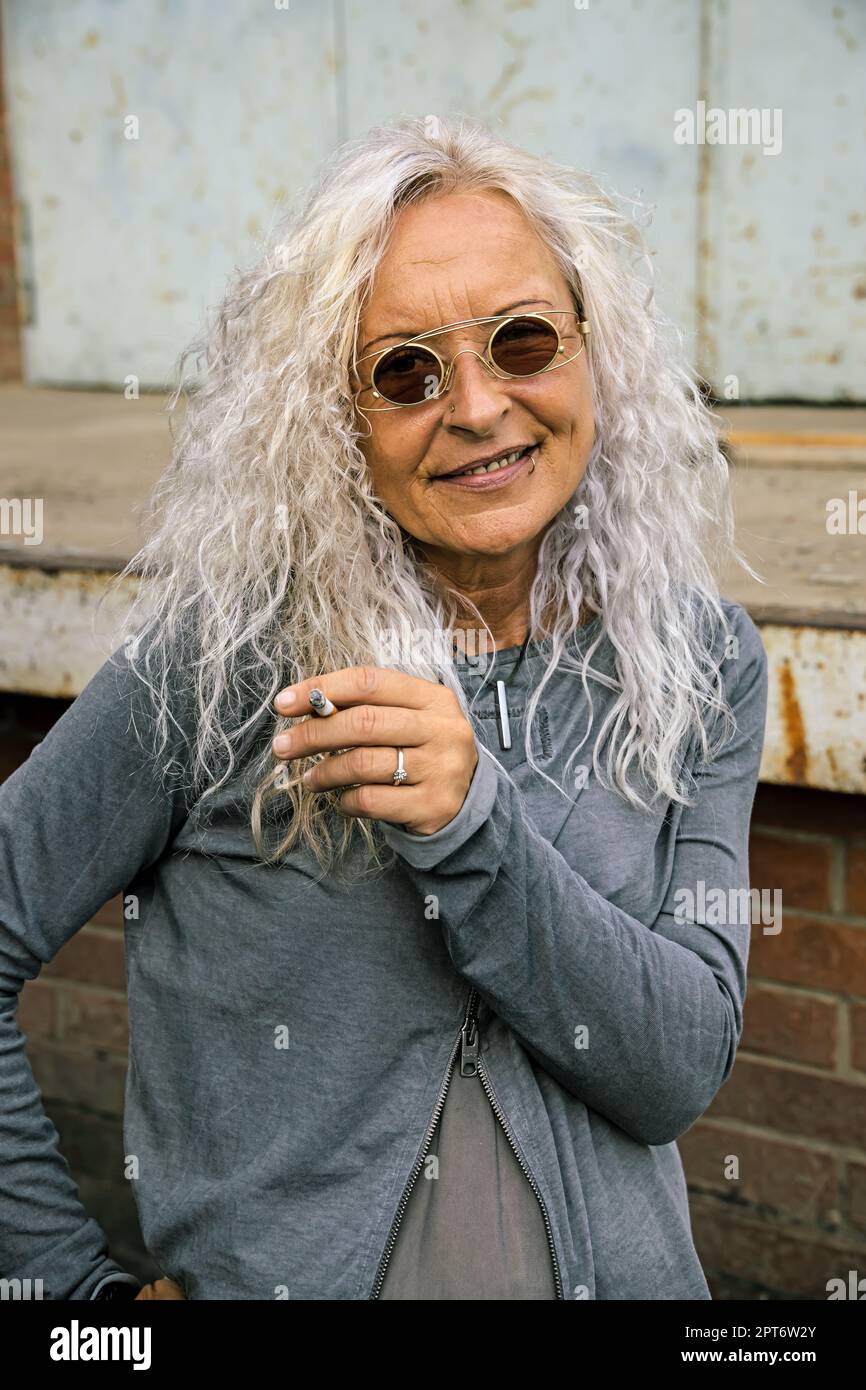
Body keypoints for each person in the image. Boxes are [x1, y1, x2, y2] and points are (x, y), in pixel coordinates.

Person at [0, 114, 768, 1301]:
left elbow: (674, 1075)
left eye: (522, 342)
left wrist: (476, 832)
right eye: (405, 369)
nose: (475, 406)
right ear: (332, 418)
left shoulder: (697, 656)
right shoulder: (224, 663)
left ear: (594, 352)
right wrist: (71, 1305)